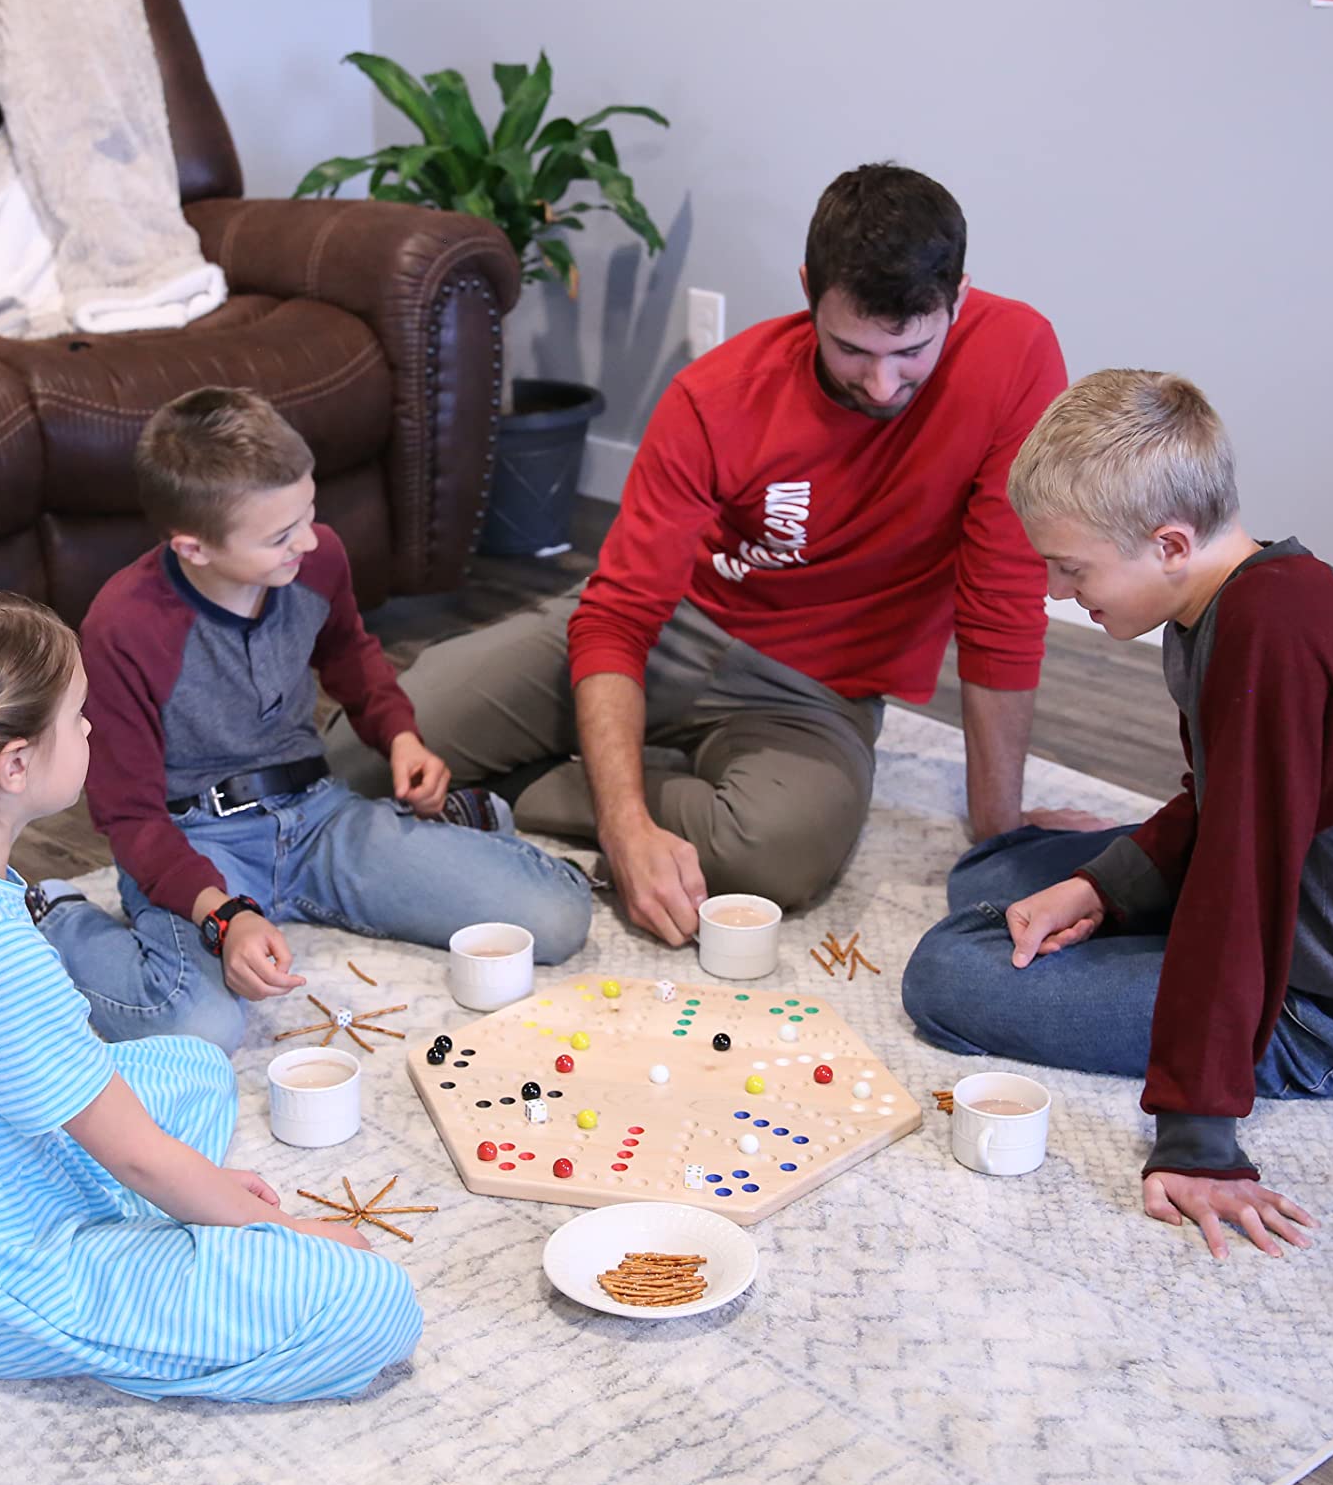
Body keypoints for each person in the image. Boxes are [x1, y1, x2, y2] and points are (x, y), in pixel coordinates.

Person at [328, 163, 1088, 945]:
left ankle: (498, 789)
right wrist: (626, 832)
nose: (884, 384)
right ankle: (606, 766)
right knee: (359, 752)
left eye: (912, 352)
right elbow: (618, 619)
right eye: (853, 350)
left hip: (816, 691)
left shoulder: (1016, 357)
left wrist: (1000, 828)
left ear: (957, 298)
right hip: (671, 625)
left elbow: (1000, 602)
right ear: (807, 290)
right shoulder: (716, 397)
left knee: (779, 853)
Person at [0, 591, 419, 1402]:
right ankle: (134, 1291)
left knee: (194, 1067)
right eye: (78, 717)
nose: (90, 730)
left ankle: (161, 1243)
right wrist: (284, 1233)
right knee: (376, 1305)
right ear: (12, 765)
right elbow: (136, 1153)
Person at [898, 370, 1333, 1259]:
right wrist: (1101, 889)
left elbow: (1241, 882)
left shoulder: (1268, 635)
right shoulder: (1238, 594)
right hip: (1325, 914)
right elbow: (1226, 803)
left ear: (1169, 542)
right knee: (998, 869)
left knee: (947, 973)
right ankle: (1091, 913)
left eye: (1071, 567)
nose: (1054, 592)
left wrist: (1198, 1135)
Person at [34, 388, 591, 1035]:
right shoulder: (123, 626)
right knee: (201, 1026)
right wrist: (223, 914)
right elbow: (129, 816)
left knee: (555, 917)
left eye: (308, 511)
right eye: (278, 536)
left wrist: (400, 736)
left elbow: (352, 655)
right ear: (194, 548)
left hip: (321, 817)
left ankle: (452, 829)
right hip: (198, 843)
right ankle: (61, 921)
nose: (308, 539)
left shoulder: (317, 556)